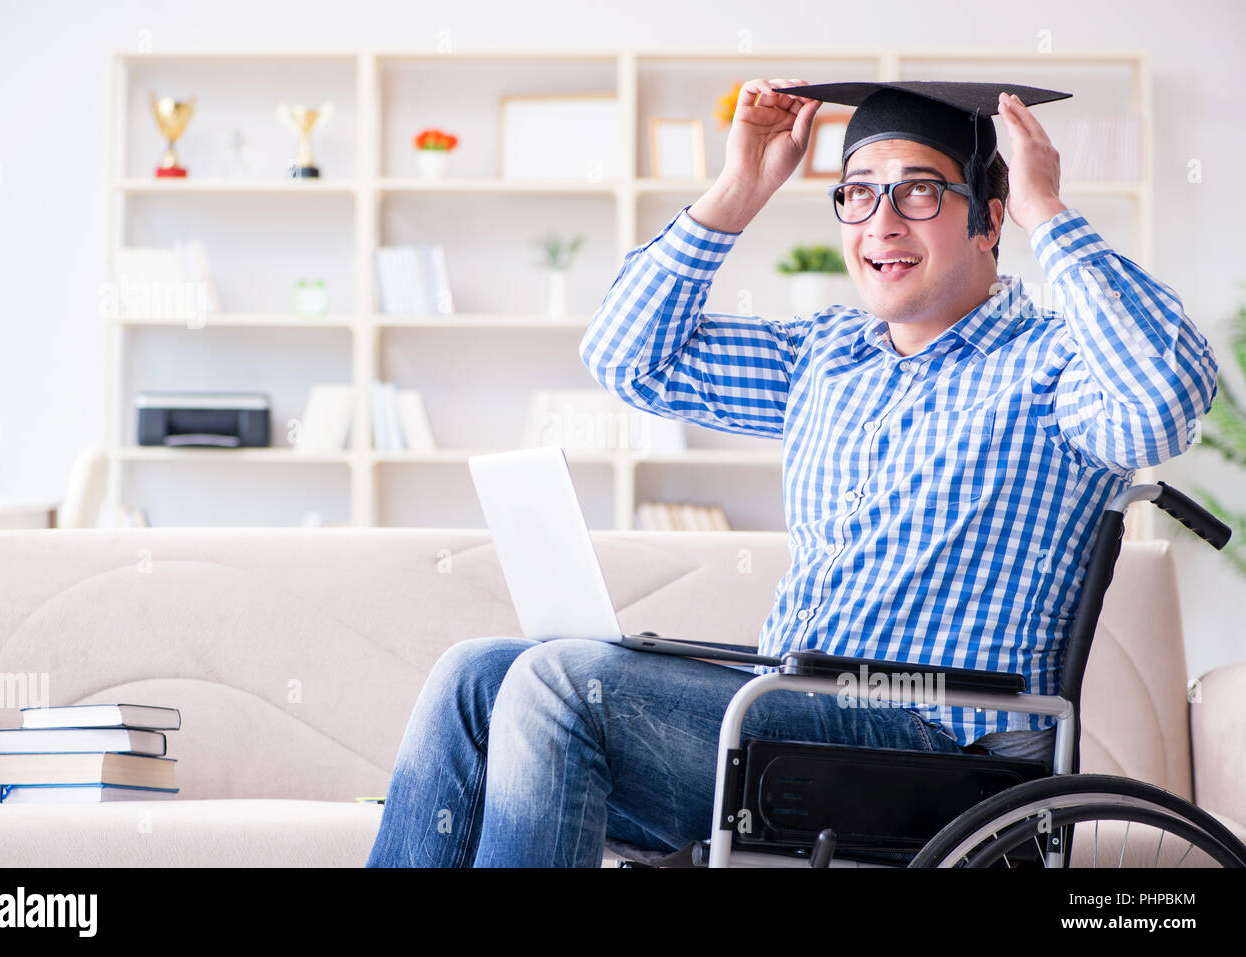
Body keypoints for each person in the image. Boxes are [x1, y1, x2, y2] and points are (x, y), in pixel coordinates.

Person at [366, 78, 1217, 868]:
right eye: (858, 192)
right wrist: (740, 188)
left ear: (988, 218)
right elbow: (626, 358)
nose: (882, 223)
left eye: (919, 191)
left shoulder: (1056, 368)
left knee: (560, 684)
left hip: (933, 763)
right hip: (789, 727)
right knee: (473, 675)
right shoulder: (826, 355)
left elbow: (1166, 395)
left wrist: (1050, 210)